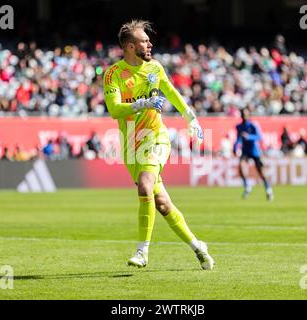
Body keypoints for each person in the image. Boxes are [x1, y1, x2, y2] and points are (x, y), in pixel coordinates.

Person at [103, 19, 214, 270]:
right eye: (144, 40)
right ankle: (198, 246)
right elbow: (113, 110)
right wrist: (140, 104)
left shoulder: (155, 68)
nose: (149, 43)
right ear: (130, 47)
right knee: (162, 204)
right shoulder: (113, 74)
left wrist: (190, 117)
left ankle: (142, 252)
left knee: (144, 186)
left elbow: (171, 91)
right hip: (131, 143)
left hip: (155, 137)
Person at [234, 108, 274, 201]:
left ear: (249, 115)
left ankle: (268, 189)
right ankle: (247, 186)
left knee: (261, 172)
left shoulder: (253, 125)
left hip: (255, 151)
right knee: (241, 166)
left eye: (246, 114)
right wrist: (235, 147)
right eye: (243, 114)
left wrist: (249, 137)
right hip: (245, 151)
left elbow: (259, 136)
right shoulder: (239, 126)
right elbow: (238, 138)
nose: (244, 116)